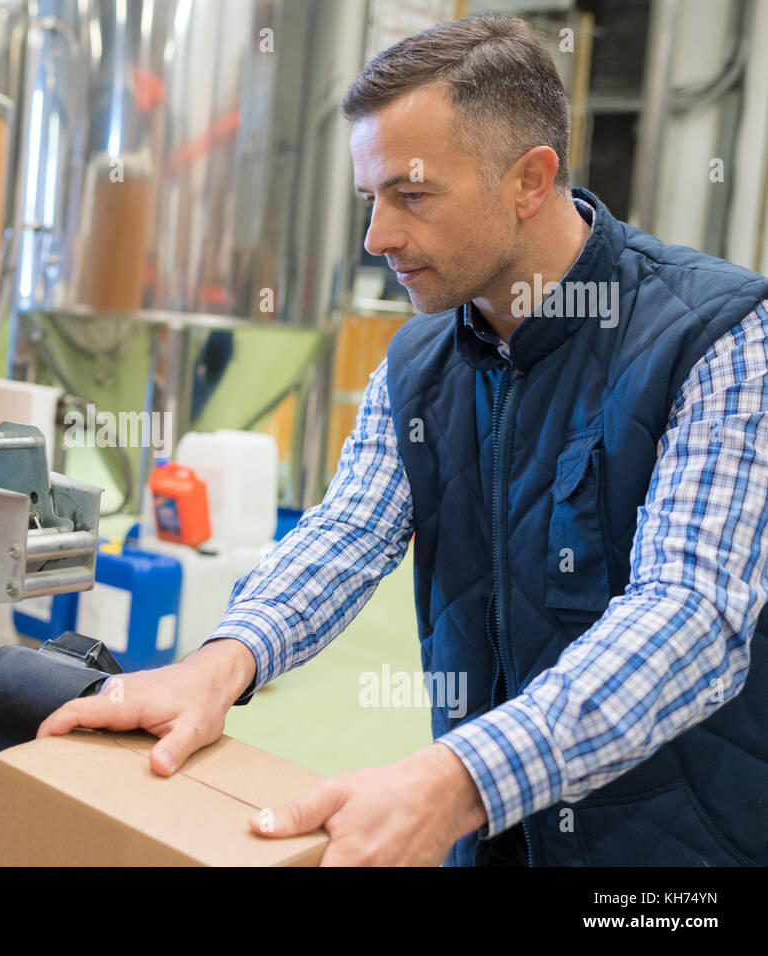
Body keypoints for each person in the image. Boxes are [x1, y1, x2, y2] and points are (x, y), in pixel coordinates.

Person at [40, 14, 768, 867]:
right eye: (369, 199)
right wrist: (221, 661)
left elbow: (692, 615)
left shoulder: (718, 337)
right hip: (482, 837)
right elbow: (351, 529)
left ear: (530, 180)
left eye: (411, 196)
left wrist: (459, 778)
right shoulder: (420, 358)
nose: (375, 238)